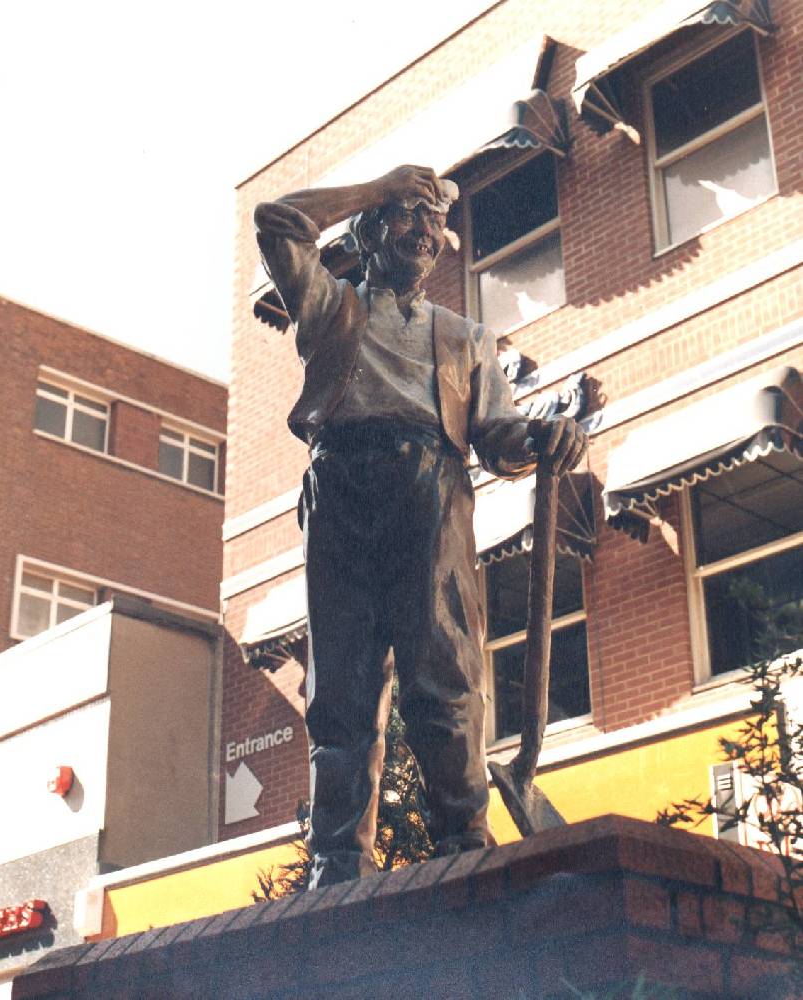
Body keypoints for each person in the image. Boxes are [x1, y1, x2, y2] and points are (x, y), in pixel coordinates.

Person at [254, 164, 587, 888]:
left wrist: (544, 436)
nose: (423, 232)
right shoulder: (329, 307)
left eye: (434, 223)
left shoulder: (466, 337)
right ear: (370, 233)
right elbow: (277, 221)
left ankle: (463, 839)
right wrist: (376, 187)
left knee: (442, 670)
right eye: (406, 217)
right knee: (340, 685)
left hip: (429, 490)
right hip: (341, 487)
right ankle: (337, 858)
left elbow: (496, 436)